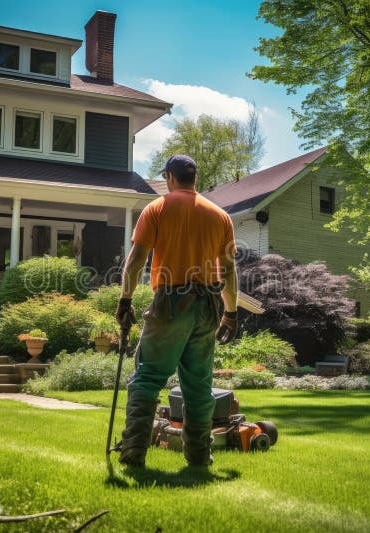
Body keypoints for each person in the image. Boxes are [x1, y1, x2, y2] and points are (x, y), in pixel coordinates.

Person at [115, 154, 239, 468]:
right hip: (207, 306)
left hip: (170, 303)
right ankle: (199, 457)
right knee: (198, 386)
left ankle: (133, 452)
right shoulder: (220, 216)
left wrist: (125, 300)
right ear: (194, 178)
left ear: (170, 177)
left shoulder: (156, 209)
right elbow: (227, 270)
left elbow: (136, 261)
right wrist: (231, 312)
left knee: (147, 378)